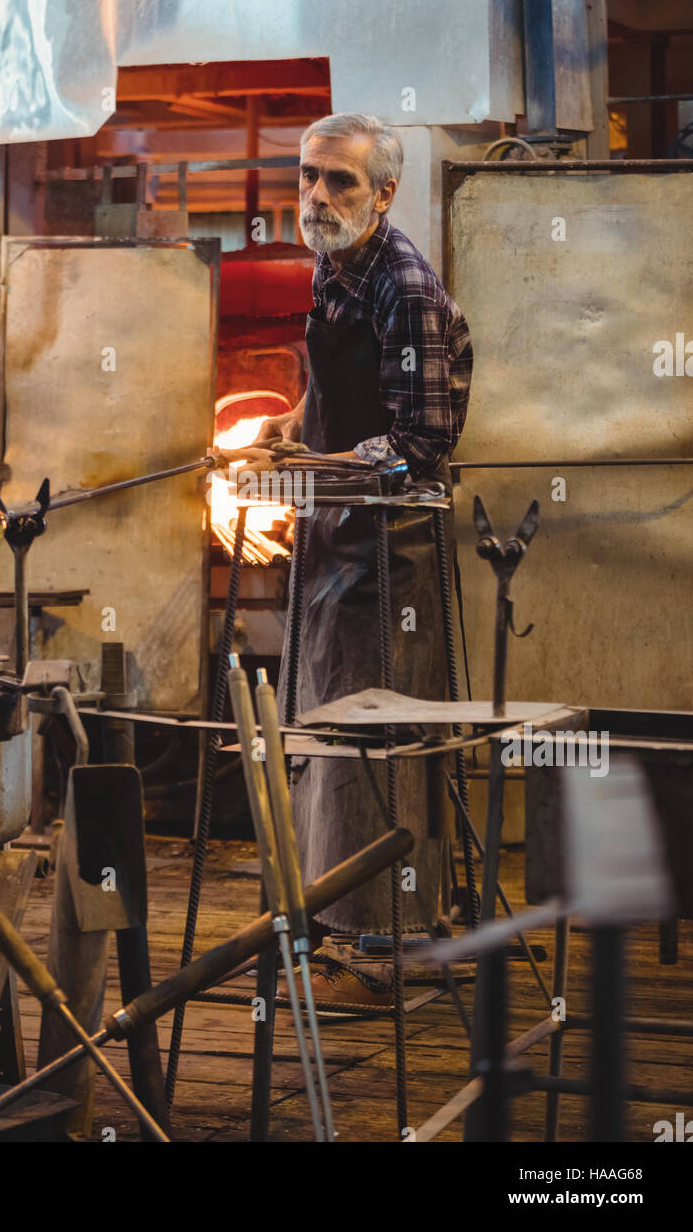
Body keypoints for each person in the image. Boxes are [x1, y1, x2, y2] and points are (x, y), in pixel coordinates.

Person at [231, 112, 473, 1005]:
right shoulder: (335, 267)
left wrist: (305, 468)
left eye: (338, 181)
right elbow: (335, 392)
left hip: (387, 556)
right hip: (333, 541)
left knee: (381, 746)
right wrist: (288, 429)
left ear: (384, 193)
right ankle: (341, 935)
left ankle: (388, 955)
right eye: (308, 177)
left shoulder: (403, 288)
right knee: (331, 743)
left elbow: (420, 447)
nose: (317, 196)